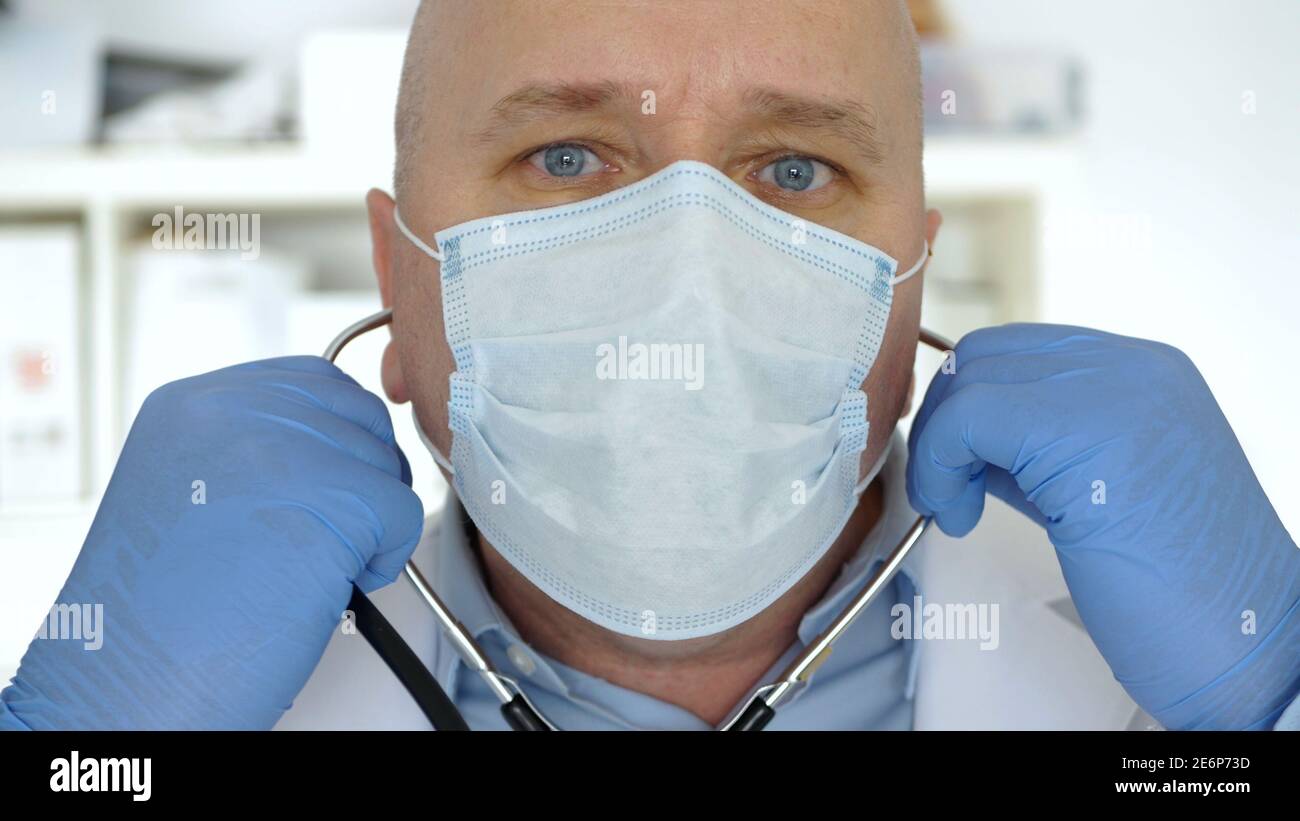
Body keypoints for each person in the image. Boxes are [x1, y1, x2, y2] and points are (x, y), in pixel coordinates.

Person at [3, 0, 1297, 731]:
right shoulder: (185, 706)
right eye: (568, 157)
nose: (688, 267)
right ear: (398, 274)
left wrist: (1276, 697)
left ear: (915, 275)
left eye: (794, 170)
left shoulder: (1156, 699)